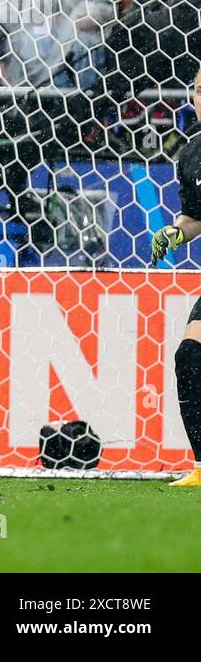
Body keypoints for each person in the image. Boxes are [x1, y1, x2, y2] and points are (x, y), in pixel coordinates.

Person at [148, 66, 201, 487]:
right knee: (190, 357)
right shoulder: (191, 153)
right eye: (200, 90)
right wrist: (177, 231)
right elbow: (194, 217)